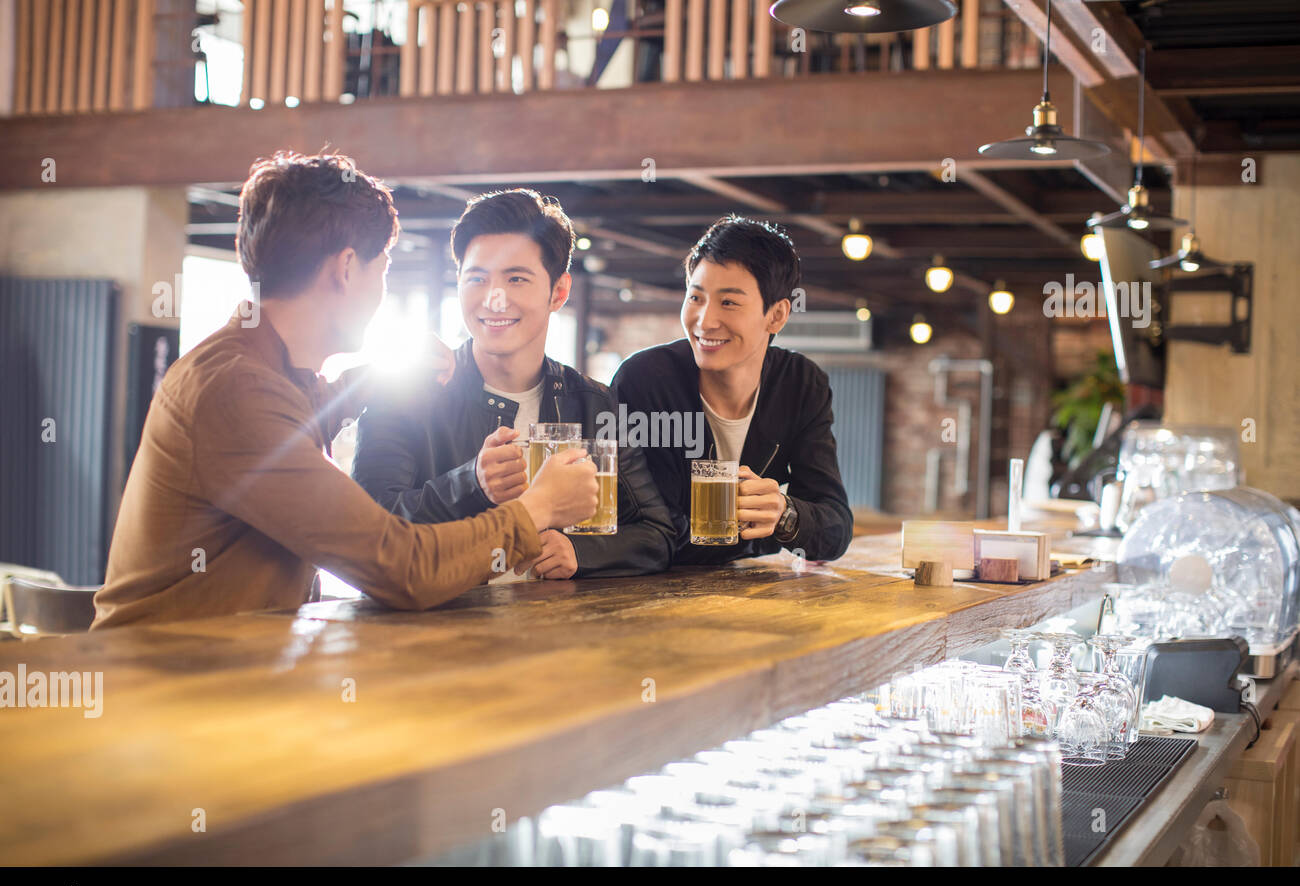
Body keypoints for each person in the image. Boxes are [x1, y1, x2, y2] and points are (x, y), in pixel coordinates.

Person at [92, 153, 596, 629]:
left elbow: (305, 412)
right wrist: (539, 508)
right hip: (166, 693)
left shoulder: (256, 367)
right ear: (348, 268)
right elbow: (404, 568)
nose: (382, 288)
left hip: (227, 678)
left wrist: (373, 379)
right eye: (383, 269)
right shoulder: (234, 389)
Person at [352, 189, 672, 580]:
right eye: (477, 279)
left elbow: (657, 535)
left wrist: (581, 552)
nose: (494, 299)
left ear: (559, 292)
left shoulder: (594, 403)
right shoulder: (406, 390)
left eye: (517, 278)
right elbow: (369, 533)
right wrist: (472, 482)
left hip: (556, 632)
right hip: (435, 629)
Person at [611, 215, 853, 565]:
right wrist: (758, 535)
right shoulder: (646, 380)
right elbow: (646, 529)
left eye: (728, 303)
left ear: (777, 315)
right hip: (646, 595)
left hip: (746, 593)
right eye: (695, 298)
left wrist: (783, 513)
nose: (705, 321)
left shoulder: (801, 384)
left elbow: (835, 529)